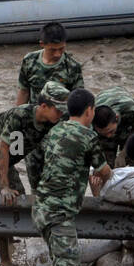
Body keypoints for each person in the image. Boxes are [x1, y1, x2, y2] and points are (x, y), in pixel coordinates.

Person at [0, 81, 69, 261]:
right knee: (1, 205)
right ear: (43, 106)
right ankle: (6, 262)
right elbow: (3, 149)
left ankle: (12, 243)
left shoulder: (53, 119)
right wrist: (4, 186)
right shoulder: (20, 116)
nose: (61, 114)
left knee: (19, 200)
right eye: (58, 110)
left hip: (7, 160)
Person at [33, 88, 109, 266]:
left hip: (40, 208)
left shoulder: (55, 131)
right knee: (67, 264)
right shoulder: (88, 136)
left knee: (61, 260)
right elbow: (103, 169)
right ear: (90, 111)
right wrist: (109, 178)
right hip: (59, 212)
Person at [15, 21, 86, 191]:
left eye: (61, 49)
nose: (57, 54)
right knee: (34, 176)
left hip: (59, 130)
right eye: (52, 49)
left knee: (58, 177)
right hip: (34, 126)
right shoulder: (30, 61)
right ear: (42, 44)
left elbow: (78, 102)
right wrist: (18, 122)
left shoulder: (72, 67)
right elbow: (23, 92)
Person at [91, 87, 134, 167]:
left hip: (125, 119)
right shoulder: (91, 119)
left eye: (110, 131)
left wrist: (123, 154)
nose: (109, 136)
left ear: (116, 117)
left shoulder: (131, 110)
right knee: (108, 163)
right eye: (104, 133)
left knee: (132, 155)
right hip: (103, 100)